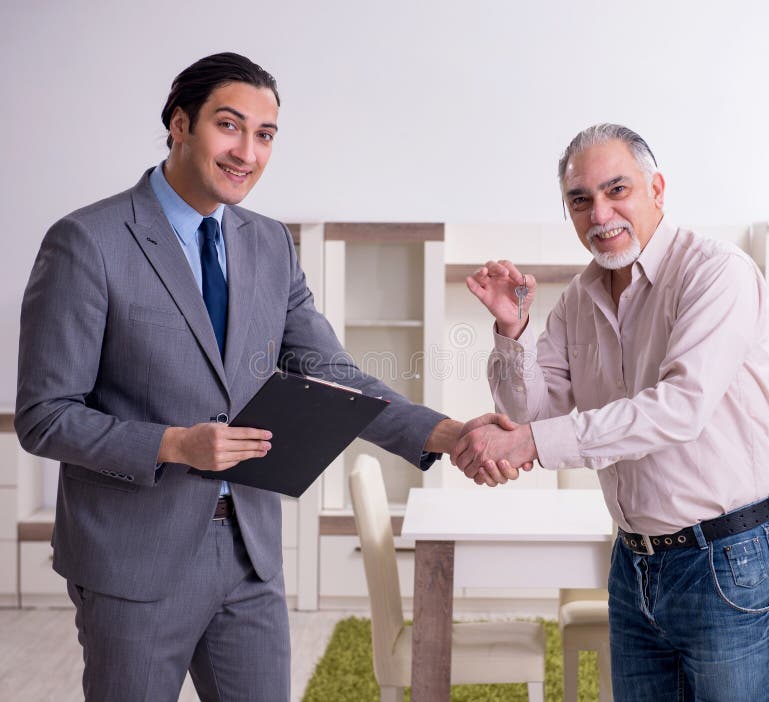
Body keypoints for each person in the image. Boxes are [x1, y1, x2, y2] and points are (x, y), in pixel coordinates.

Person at [14, 52, 462, 702]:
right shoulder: (88, 241)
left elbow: (331, 373)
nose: (247, 153)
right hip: (133, 560)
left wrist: (445, 432)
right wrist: (174, 444)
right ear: (179, 124)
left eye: (265, 134)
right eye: (229, 126)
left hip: (249, 553)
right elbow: (46, 415)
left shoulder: (270, 243)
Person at [453, 123, 769, 701]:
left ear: (656, 189)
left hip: (729, 560)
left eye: (617, 190)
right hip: (633, 563)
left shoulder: (717, 273)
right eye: (580, 200)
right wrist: (513, 330)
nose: (600, 213)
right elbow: (531, 410)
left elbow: (679, 409)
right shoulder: (577, 301)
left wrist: (529, 442)